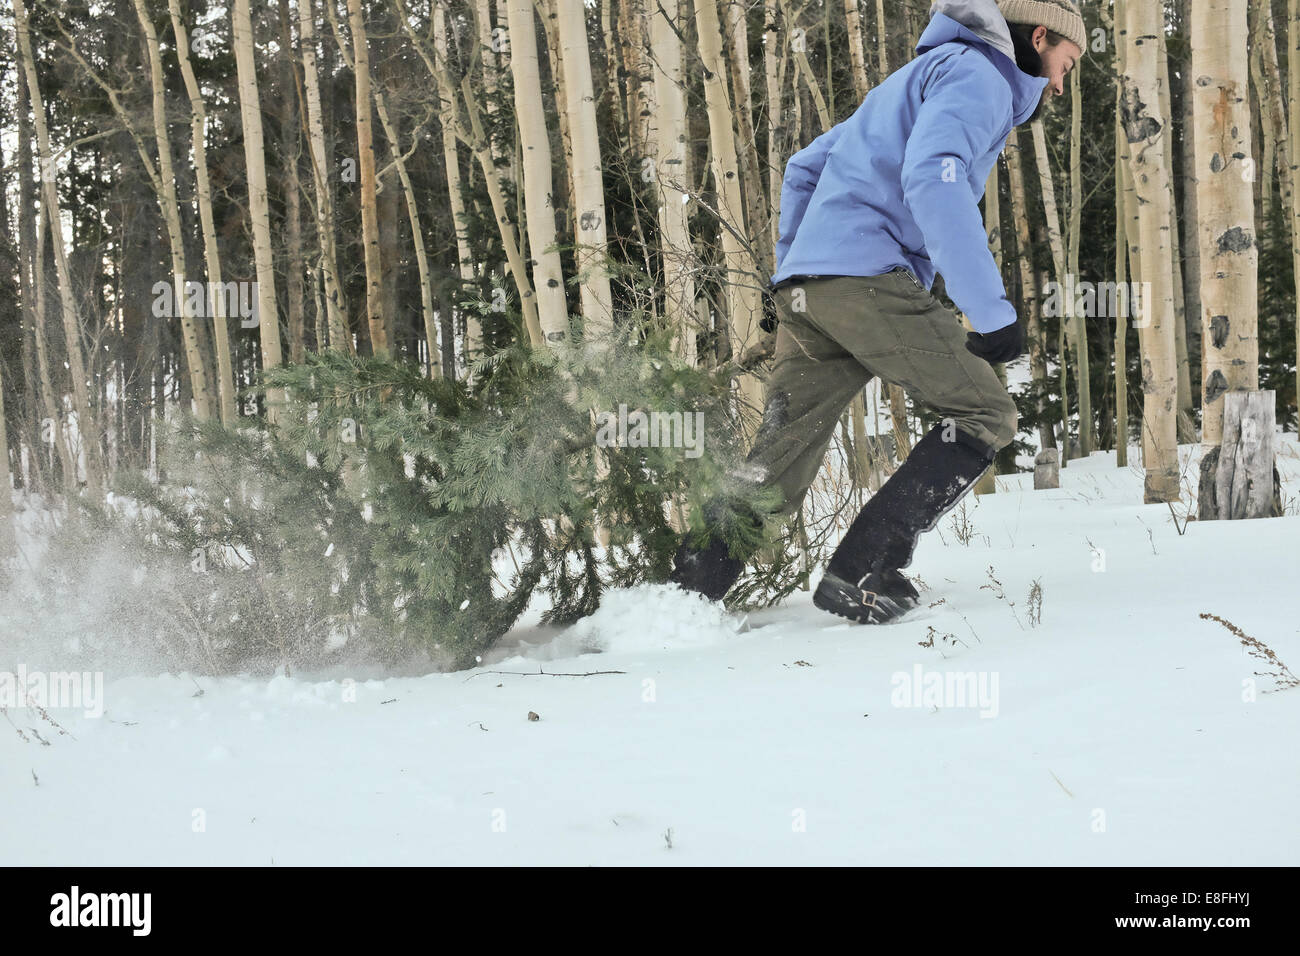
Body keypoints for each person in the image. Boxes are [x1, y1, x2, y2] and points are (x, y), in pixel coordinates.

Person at [669, 0, 1085, 624]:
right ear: (1040, 37)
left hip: (813, 289)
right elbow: (935, 179)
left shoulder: (913, 79)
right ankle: (863, 569)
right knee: (986, 411)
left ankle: (683, 597)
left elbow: (805, 166)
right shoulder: (979, 76)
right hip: (866, 279)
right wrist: (989, 311)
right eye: (1065, 64)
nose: (1059, 83)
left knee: (779, 455)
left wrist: (793, 268)